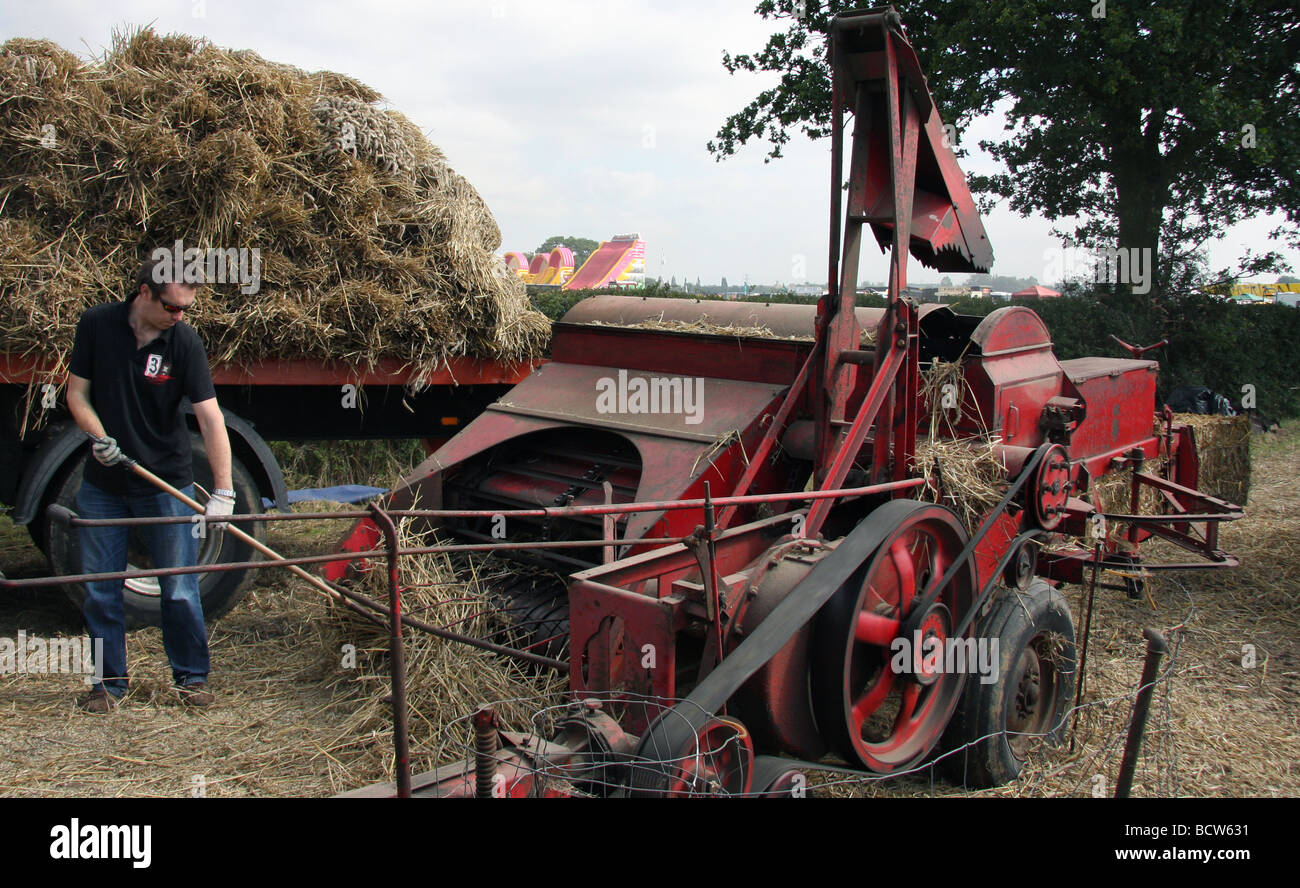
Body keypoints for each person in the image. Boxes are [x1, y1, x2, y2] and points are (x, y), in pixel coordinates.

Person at [65, 254, 236, 712]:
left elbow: (210, 418)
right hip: (104, 486)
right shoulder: (97, 325)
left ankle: (192, 680)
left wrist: (223, 492)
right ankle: (109, 686)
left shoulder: (183, 343)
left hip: (166, 484)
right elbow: (76, 394)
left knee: (179, 587)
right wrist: (98, 438)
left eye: (185, 309)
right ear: (144, 292)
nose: (178, 317)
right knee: (102, 588)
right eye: (171, 307)